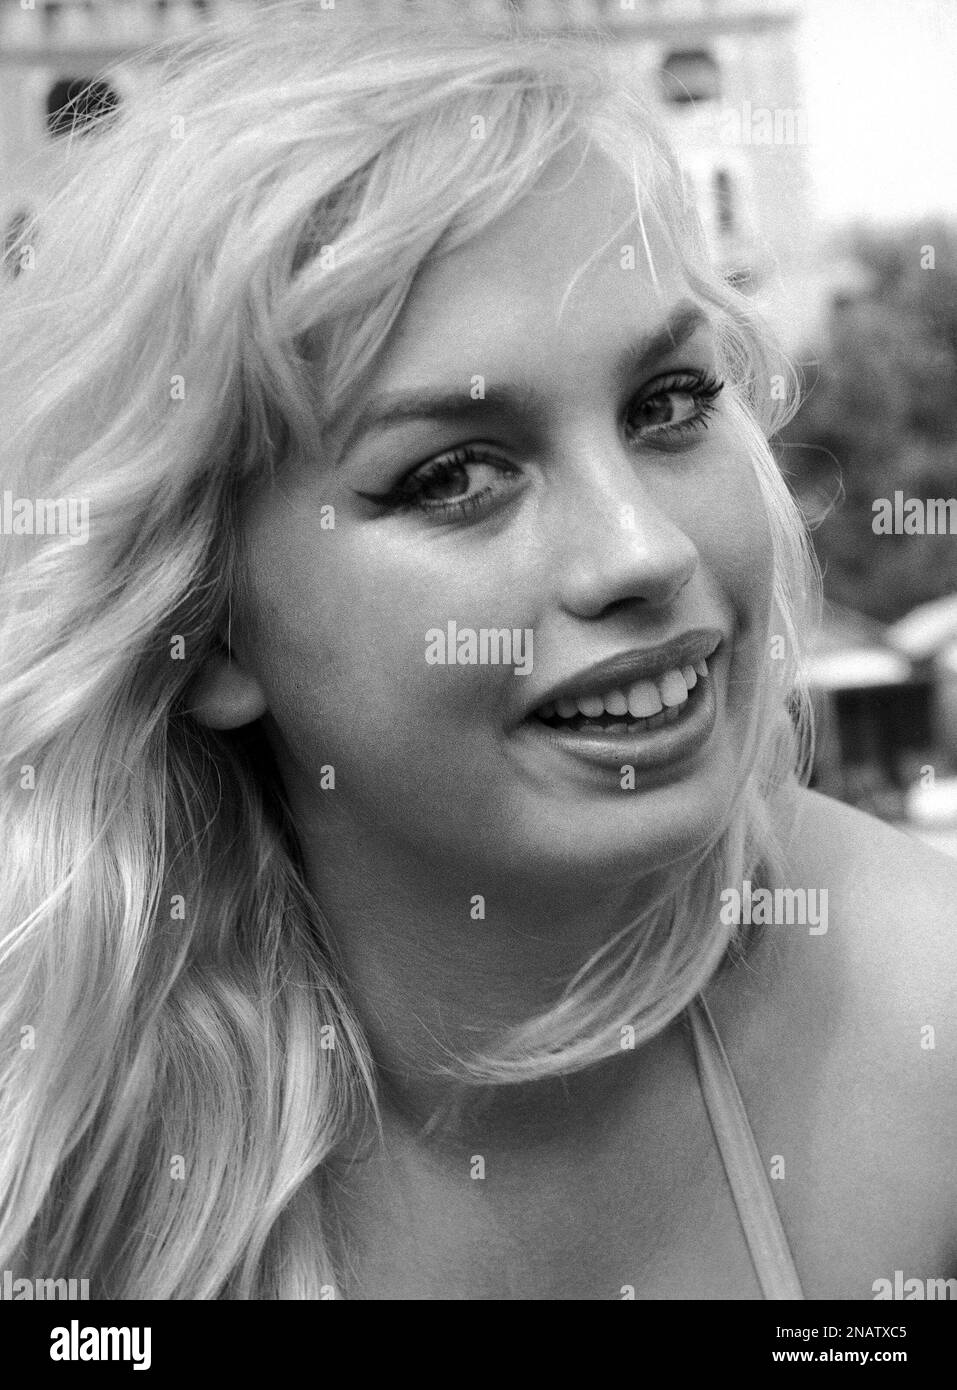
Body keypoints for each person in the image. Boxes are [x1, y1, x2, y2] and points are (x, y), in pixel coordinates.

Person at [0, 0, 954, 1302]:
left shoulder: (924, 1012)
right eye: (455, 474)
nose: (639, 551)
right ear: (206, 623)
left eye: (667, 403)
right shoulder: (47, 1138)